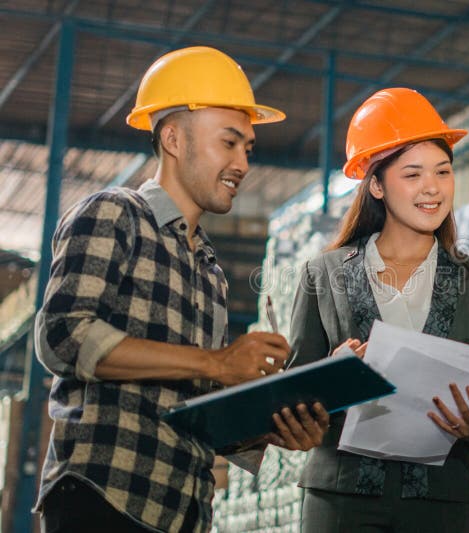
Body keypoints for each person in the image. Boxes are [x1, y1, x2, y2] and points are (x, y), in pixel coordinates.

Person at [33, 46, 329, 533]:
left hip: (181, 512)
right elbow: (63, 336)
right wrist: (216, 362)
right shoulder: (114, 213)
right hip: (105, 497)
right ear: (172, 138)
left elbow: (192, 411)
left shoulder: (209, 269)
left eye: (247, 149)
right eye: (229, 143)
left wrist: (271, 426)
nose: (243, 163)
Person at [288, 87, 469, 533]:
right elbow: (290, 397)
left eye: (443, 171)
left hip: (442, 501)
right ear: (377, 185)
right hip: (341, 500)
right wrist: (330, 377)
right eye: (413, 174)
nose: (432, 188)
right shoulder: (323, 274)